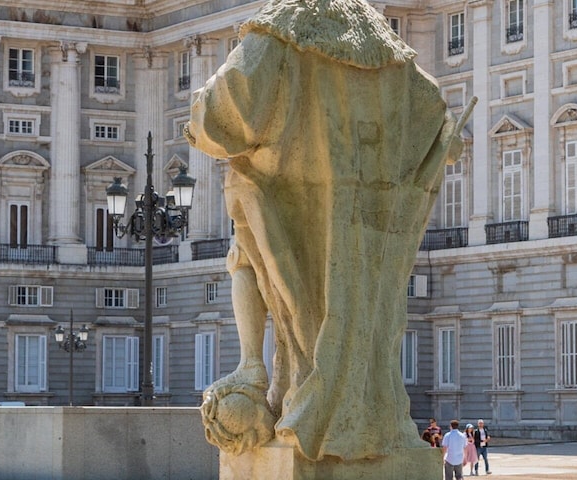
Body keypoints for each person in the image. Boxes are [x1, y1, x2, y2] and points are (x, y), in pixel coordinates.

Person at [187, 0, 468, 462]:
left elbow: (225, 113)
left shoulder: (279, 35)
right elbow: (435, 120)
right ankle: (367, 425)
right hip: (370, 236)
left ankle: (252, 367)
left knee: (249, 260)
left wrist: (198, 114)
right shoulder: (385, 46)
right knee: (359, 336)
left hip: (290, 220)